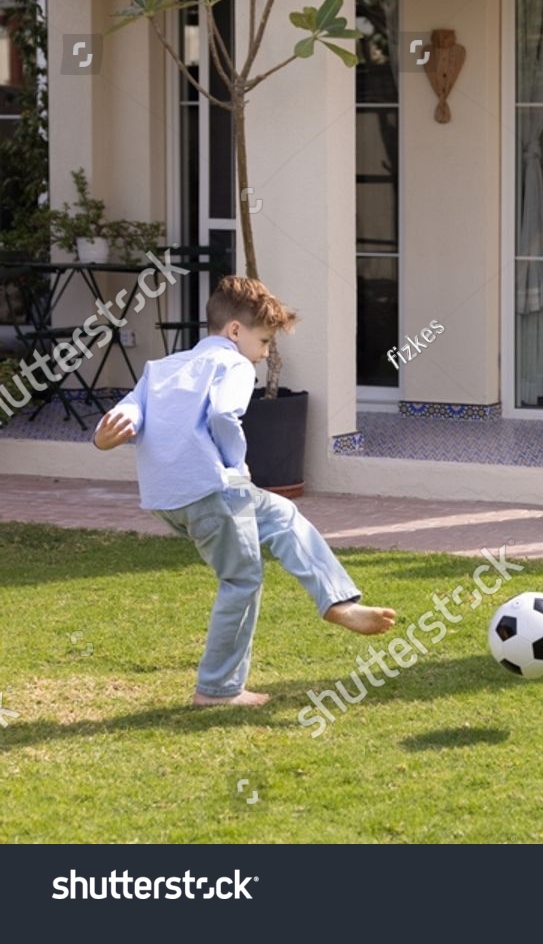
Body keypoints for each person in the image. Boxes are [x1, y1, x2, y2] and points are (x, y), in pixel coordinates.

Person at [93, 275, 396, 707]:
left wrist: (103, 439)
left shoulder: (161, 368)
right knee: (240, 579)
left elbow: (127, 414)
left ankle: (336, 600)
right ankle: (217, 690)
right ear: (235, 331)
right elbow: (222, 415)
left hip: (167, 500)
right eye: (266, 341)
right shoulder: (234, 365)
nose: (265, 353)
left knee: (284, 517)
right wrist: (238, 467)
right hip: (216, 487)